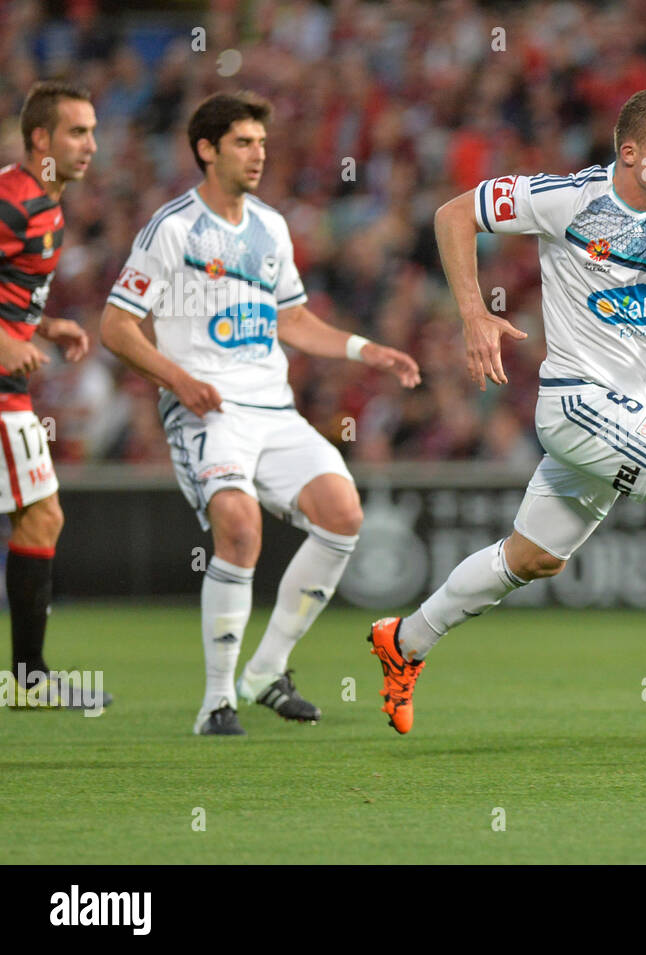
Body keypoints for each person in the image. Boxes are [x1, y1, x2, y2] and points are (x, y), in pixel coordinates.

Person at [367, 89, 646, 734]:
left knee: (532, 558)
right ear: (631, 154)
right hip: (576, 402)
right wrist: (471, 312)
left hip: (627, 409)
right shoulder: (567, 199)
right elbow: (453, 215)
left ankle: (403, 640)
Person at [100, 91, 420, 735]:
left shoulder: (271, 227)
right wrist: (177, 378)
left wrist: (366, 350)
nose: (258, 154)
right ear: (206, 149)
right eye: (244, 143)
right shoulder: (174, 228)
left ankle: (266, 671)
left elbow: (293, 320)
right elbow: (115, 325)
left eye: (262, 144)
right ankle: (217, 701)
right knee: (240, 529)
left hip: (273, 408)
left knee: (342, 515)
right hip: (207, 408)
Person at [0, 81, 107, 710]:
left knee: (41, 514)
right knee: (41, 514)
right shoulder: (15, 199)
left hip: (11, 386)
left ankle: (29, 677)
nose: (90, 144)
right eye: (76, 132)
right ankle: (29, 678)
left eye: (93, 131)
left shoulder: (46, 203)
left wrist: (40, 326)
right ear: (40, 138)